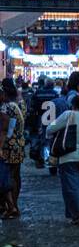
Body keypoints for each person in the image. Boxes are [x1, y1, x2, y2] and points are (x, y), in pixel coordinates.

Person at [47, 91, 79, 225]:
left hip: (69, 155)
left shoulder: (68, 115)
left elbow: (50, 129)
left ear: (72, 105)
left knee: (71, 186)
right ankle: (78, 213)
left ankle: (77, 215)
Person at [0, 79, 25, 218]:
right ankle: (14, 204)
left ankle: (11, 206)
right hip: (19, 144)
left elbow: (4, 130)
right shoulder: (19, 104)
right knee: (15, 176)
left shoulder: (6, 107)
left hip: (8, 146)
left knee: (5, 176)